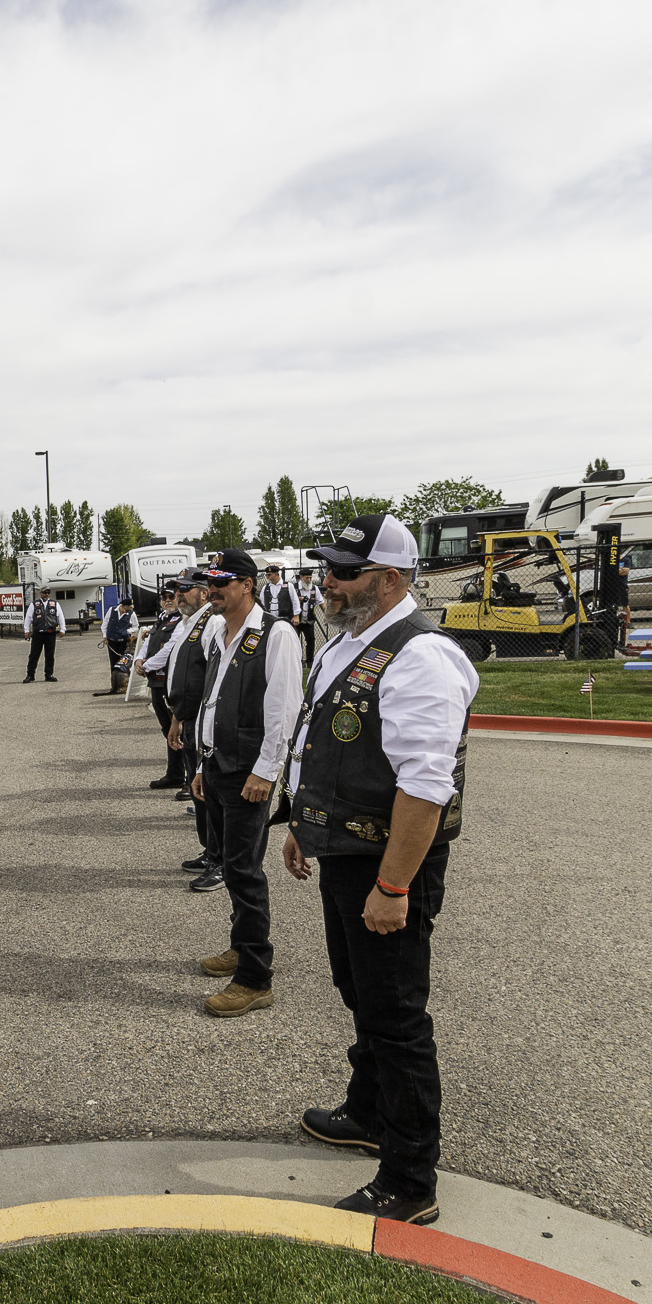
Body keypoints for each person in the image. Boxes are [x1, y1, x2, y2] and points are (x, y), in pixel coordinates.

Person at [281, 511, 478, 1225]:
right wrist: (305, 827)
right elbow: (330, 748)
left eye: (342, 571)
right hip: (346, 854)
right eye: (327, 569)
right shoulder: (351, 643)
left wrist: (393, 887)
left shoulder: (421, 656)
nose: (326, 582)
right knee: (357, 990)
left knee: (395, 1015)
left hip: (388, 866)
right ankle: (368, 1112)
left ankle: (410, 1176)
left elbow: (426, 785)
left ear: (389, 578)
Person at [189, 551, 302, 1016]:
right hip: (217, 765)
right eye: (209, 583)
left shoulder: (276, 634)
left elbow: (284, 707)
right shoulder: (219, 631)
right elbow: (211, 701)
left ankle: (255, 977)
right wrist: (200, 763)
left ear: (248, 585)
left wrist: (266, 770)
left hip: (247, 771)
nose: (212, 590)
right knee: (234, 864)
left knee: (243, 870)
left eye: (222, 582)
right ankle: (241, 944)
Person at [163, 578, 223, 886]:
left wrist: (190, 717)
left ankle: (220, 859)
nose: (178, 596)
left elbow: (210, 677)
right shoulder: (189, 623)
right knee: (198, 789)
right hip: (188, 719)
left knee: (209, 791)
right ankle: (209, 849)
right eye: (177, 591)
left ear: (203, 592)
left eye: (185, 590)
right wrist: (177, 717)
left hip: (202, 721)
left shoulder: (212, 623)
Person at [135, 585, 182, 785]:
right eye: (164, 597)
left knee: (178, 731)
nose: (167, 600)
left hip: (169, 681)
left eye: (171, 597)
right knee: (166, 729)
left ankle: (183, 776)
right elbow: (148, 643)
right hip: (155, 681)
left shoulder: (182, 621)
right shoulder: (162, 618)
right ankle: (175, 774)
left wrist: (147, 665)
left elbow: (171, 649)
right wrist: (139, 659)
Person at [96, 597, 137, 695]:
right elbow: (104, 625)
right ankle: (114, 686)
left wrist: (128, 631)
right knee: (114, 664)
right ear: (122, 607)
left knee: (125, 664)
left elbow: (136, 627)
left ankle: (125, 685)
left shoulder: (132, 614)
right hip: (112, 641)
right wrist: (105, 637)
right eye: (127, 609)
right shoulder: (111, 610)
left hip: (123, 641)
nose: (128, 611)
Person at [22, 589, 65, 681]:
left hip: (50, 633)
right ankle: (30, 675)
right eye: (45, 593)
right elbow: (28, 618)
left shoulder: (55, 604)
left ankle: (49, 675)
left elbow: (60, 617)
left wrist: (62, 629)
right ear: (40, 593)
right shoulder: (34, 604)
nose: (46, 594)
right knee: (34, 655)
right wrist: (26, 630)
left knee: (49, 655)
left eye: (48, 593)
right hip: (38, 633)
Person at [295, 567, 323, 666]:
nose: (309, 580)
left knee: (311, 641)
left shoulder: (314, 589)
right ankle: (297, 661)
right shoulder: (293, 588)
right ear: (301, 577)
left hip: (309, 620)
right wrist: (298, 599)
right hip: (296, 621)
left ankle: (310, 661)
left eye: (310, 578)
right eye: (307, 578)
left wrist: (327, 615)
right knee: (295, 642)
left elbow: (321, 603)